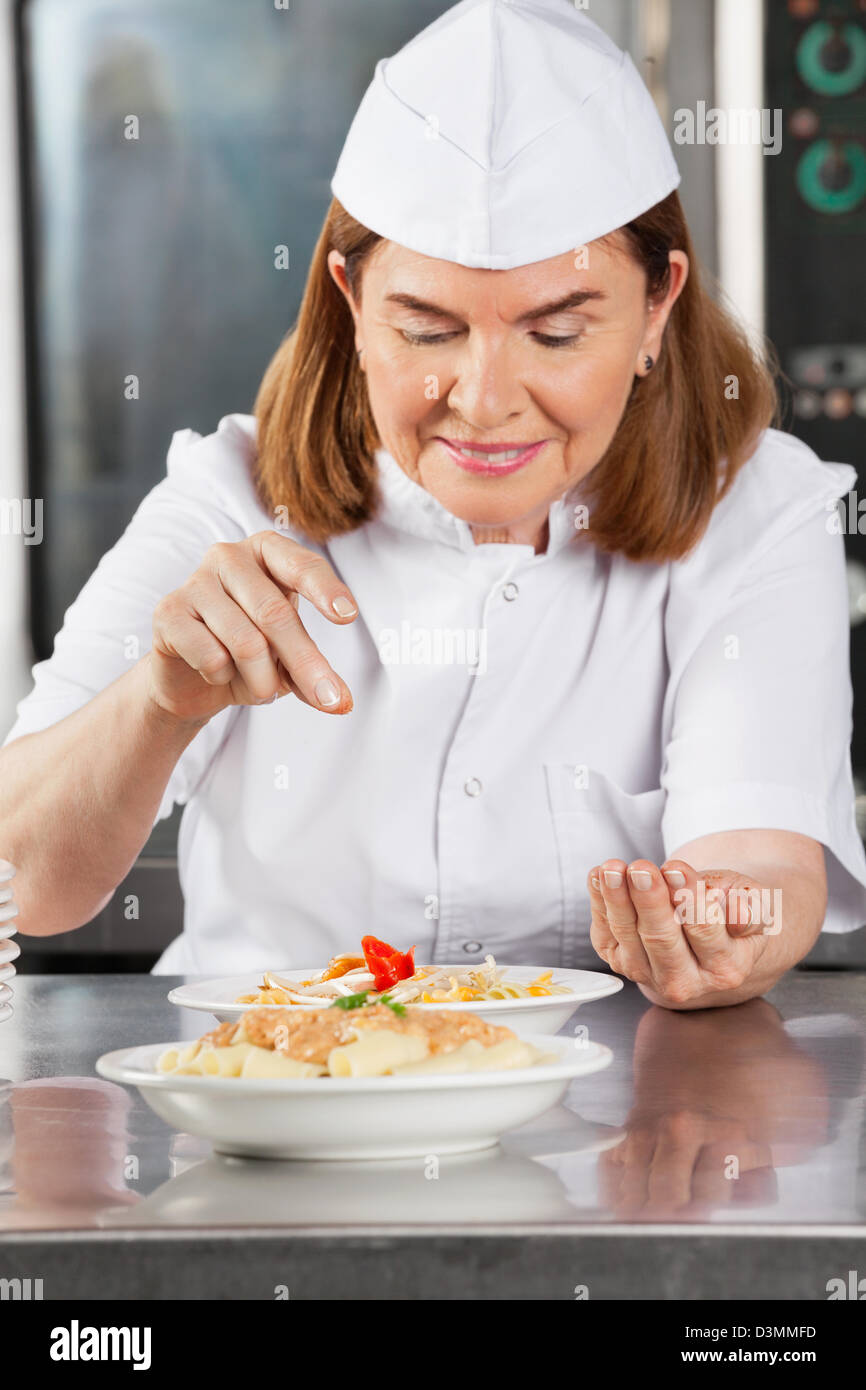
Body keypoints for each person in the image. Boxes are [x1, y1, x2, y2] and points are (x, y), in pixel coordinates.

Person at [2, 0, 865, 1009]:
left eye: (554, 334)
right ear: (349, 304)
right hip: (270, 1116)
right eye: (425, 330)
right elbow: (27, 881)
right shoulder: (229, 497)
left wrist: (718, 927)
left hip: (615, 1131)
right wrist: (155, 699)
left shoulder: (753, 511)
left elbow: (760, 865)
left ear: (656, 306)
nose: (485, 400)